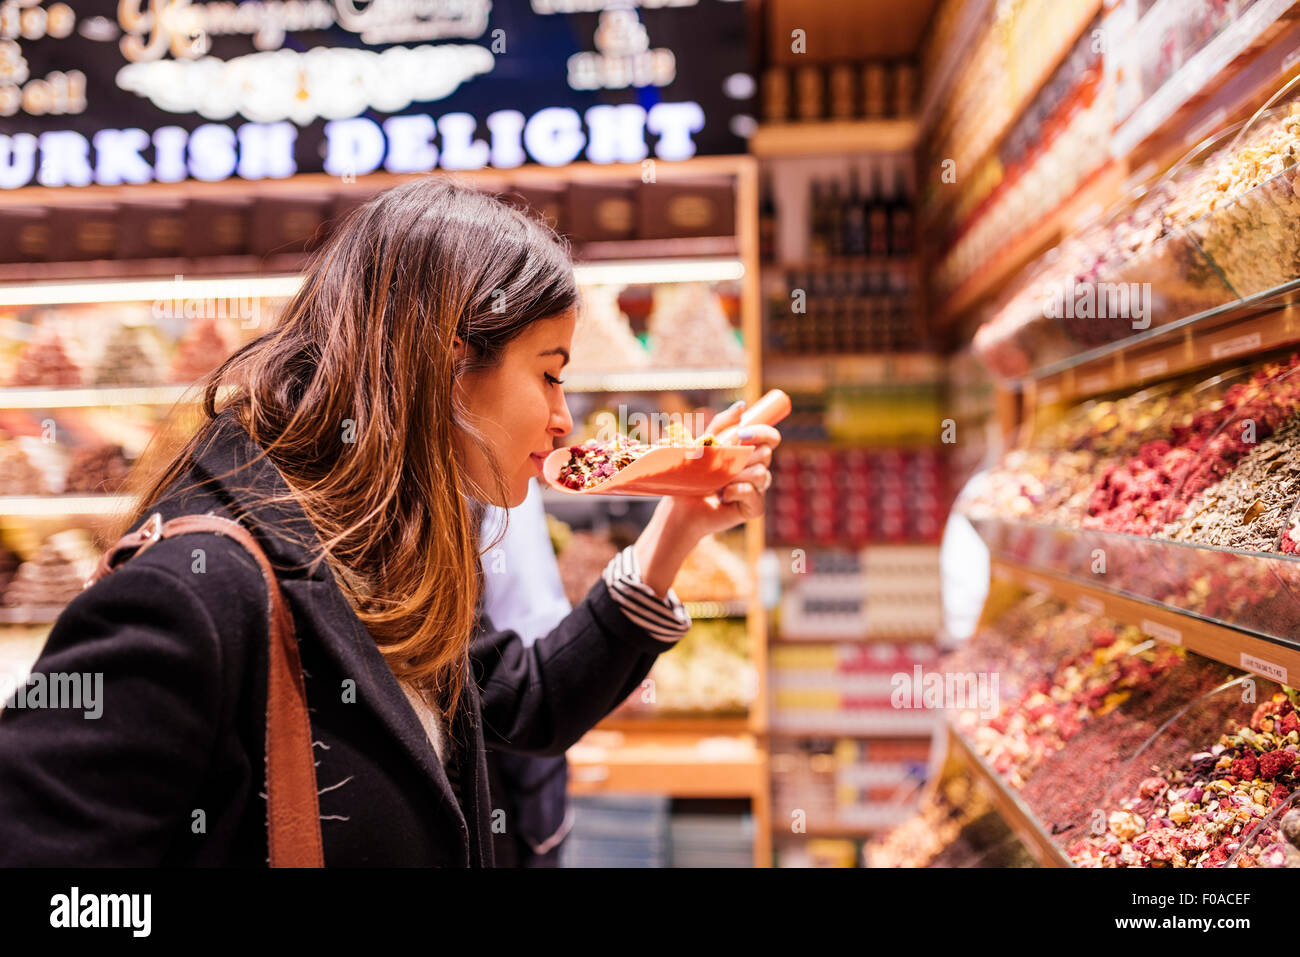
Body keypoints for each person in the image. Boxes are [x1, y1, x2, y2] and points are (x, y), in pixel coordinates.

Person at [0, 179, 780, 866]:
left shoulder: (387, 559)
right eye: (548, 373)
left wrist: (677, 528)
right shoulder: (198, 593)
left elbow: (522, 699)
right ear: (444, 360)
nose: (562, 420)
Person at [478, 478, 574, 867]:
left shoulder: (511, 480)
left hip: (512, 725)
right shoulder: (496, 481)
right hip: (505, 740)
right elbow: (535, 661)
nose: (562, 422)